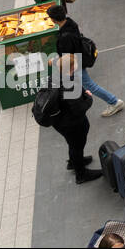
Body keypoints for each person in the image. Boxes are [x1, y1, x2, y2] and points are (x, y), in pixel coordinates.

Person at [46, 54, 103, 184]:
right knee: (77, 145)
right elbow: (78, 108)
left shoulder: (55, 77)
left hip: (59, 121)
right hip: (71, 123)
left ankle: (74, 162)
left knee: (72, 144)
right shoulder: (69, 84)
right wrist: (88, 97)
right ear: (71, 68)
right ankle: (81, 174)